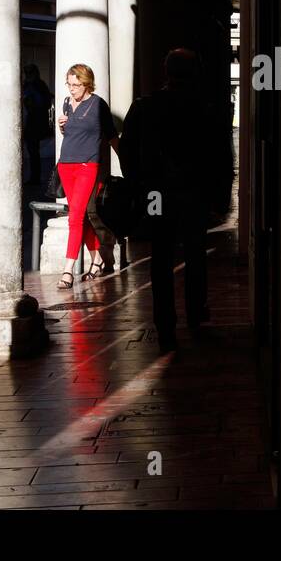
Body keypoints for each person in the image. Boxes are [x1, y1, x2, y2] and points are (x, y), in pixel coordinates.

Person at [118, 49, 233, 353]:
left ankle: (165, 325)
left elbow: (127, 149)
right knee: (195, 253)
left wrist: (139, 184)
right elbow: (221, 155)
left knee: (161, 256)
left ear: (165, 71)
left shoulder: (145, 107)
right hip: (193, 191)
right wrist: (220, 197)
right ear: (195, 72)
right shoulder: (206, 109)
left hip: (157, 192)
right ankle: (195, 312)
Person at [55, 63, 118, 290]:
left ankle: (67, 271)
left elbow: (111, 136)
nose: (72, 89)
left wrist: (127, 162)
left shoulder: (98, 104)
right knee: (81, 216)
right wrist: (63, 126)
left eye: (76, 85)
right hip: (66, 165)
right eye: (69, 84)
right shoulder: (66, 103)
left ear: (87, 83)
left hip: (86, 166)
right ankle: (98, 258)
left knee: (75, 217)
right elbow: (71, 133)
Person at [22, 65, 54, 187]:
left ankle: (35, 178)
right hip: (32, 120)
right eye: (27, 72)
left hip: (36, 122)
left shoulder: (38, 85)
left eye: (30, 72)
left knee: (33, 151)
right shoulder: (30, 84)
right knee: (32, 151)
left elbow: (44, 102)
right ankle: (34, 178)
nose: (28, 75)